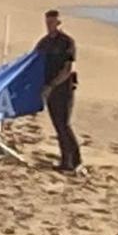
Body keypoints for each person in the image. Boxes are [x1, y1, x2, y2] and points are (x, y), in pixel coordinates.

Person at [36, 9, 82, 173]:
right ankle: (67, 159)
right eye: (47, 23)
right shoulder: (44, 43)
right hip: (50, 90)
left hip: (64, 88)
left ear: (59, 23)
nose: (50, 26)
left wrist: (52, 85)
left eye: (52, 22)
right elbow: (34, 61)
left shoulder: (67, 42)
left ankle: (73, 160)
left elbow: (67, 68)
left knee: (64, 124)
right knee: (58, 125)